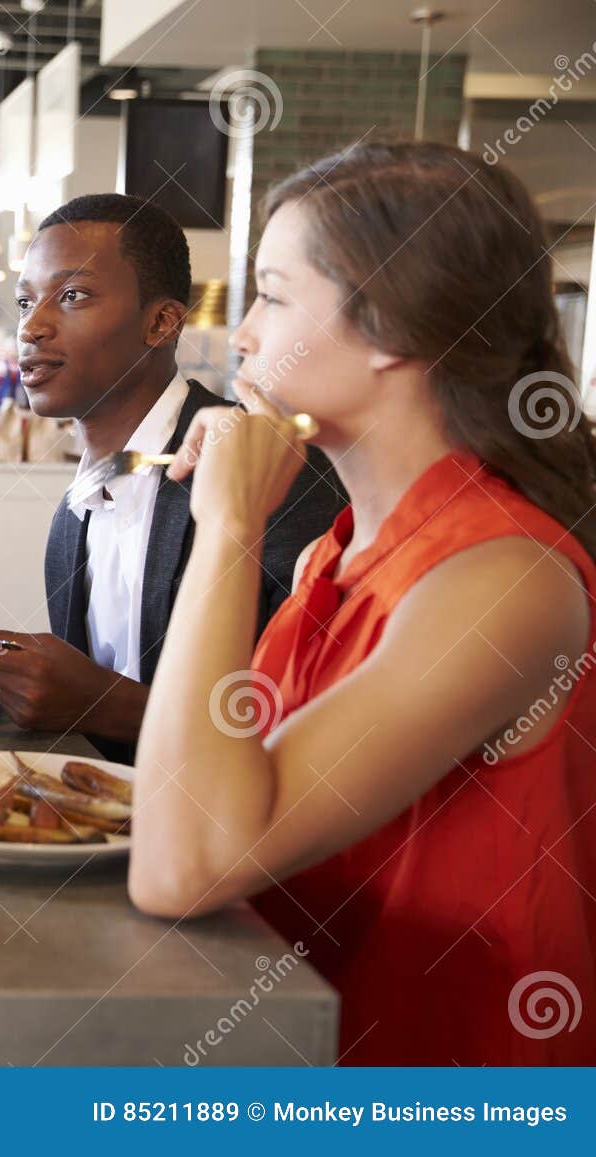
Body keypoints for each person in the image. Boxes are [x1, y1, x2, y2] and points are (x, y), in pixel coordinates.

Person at [129, 141, 596, 1065]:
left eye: (272, 292)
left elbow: (184, 864)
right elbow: (193, 798)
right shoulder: (331, 555)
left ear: (395, 332)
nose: (243, 334)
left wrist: (226, 522)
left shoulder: (507, 582)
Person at [0, 195, 346, 763]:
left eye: (72, 296)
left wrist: (102, 703)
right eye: (24, 301)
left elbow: (315, 728)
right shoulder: (76, 511)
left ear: (162, 322)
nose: (32, 327)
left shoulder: (265, 469)